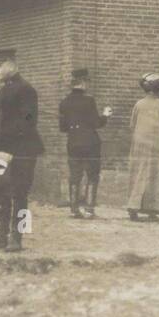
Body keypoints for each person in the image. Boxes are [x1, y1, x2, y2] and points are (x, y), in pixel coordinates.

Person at [0, 49, 43, 252]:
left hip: (23, 150)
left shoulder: (26, 90)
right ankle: (0, 236)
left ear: (11, 64)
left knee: (20, 193)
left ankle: (18, 238)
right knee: (0, 191)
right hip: (3, 150)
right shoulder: (3, 90)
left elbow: (28, 122)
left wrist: (9, 146)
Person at [58, 67, 108, 218]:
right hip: (90, 143)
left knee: (75, 175)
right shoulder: (89, 101)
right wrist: (105, 115)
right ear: (83, 83)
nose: (88, 85)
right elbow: (96, 123)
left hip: (73, 142)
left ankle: (74, 210)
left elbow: (63, 128)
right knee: (92, 175)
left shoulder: (64, 102)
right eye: (87, 82)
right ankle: (89, 209)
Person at [126, 72, 159, 221]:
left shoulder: (138, 104)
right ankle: (153, 209)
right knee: (156, 173)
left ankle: (133, 206)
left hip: (139, 143)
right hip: (156, 143)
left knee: (138, 171)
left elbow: (132, 125)